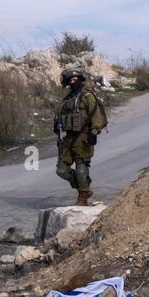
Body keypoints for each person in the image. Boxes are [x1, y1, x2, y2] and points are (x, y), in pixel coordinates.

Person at [53, 68, 105, 206]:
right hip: (68, 137)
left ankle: (83, 196)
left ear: (80, 79)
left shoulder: (87, 96)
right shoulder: (67, 99)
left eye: (75, 78)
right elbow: (59, 116)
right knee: (61, 170)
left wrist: (94, 132)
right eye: (70, 79)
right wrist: (56, 126)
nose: (73, 81)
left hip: (83, 136)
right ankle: (84, 188)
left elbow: (96, 115)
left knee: (81, 168)